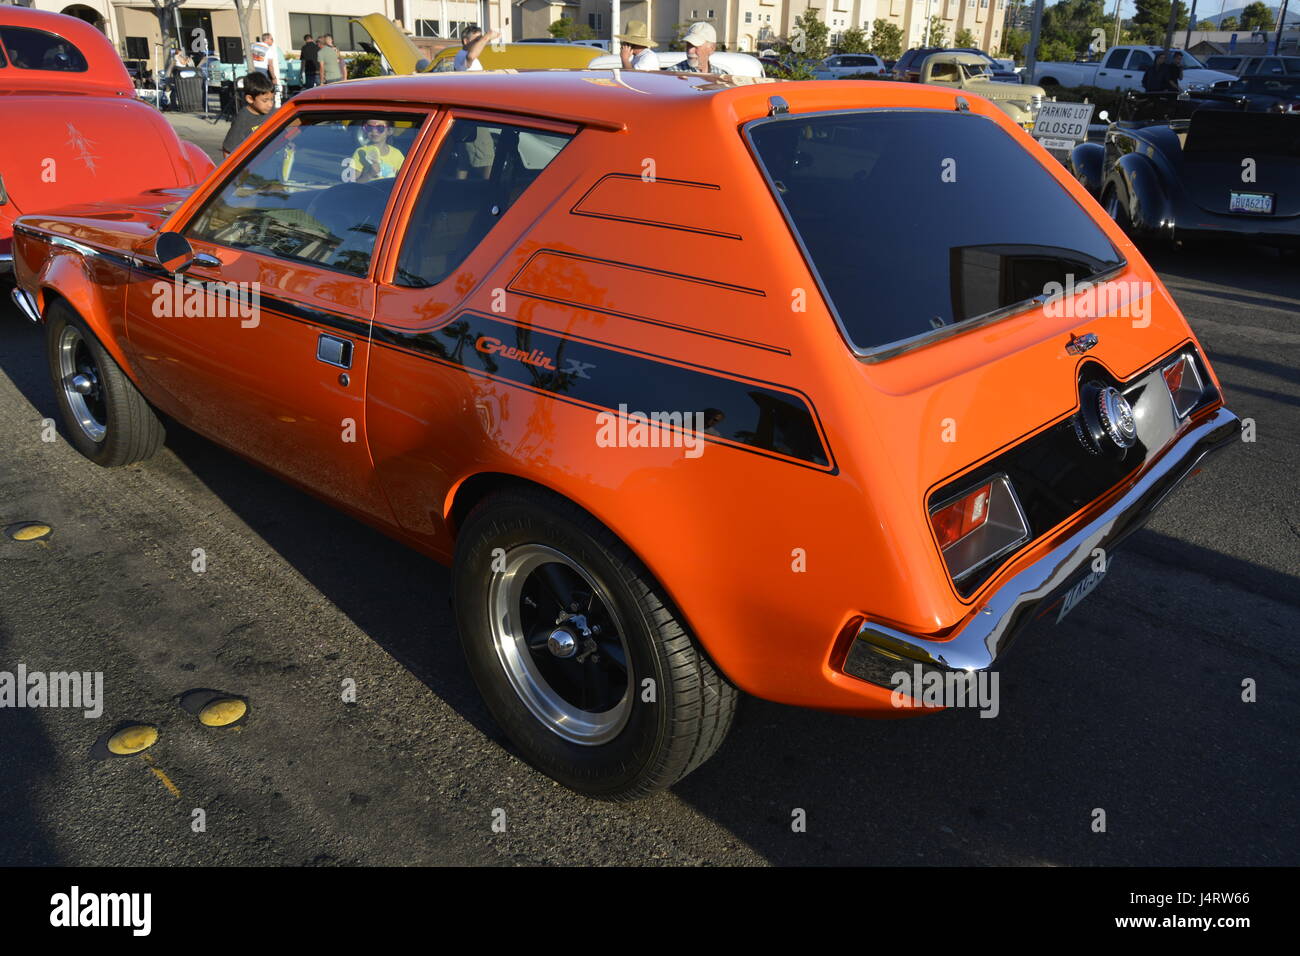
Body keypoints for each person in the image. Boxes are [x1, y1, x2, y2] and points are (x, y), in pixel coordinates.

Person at [222, 70, 276, 157]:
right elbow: (228, 151)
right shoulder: (242, 120)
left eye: (272, 99)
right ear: (250, 99)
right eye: (265, 100)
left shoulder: (273, 112)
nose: (270, 104)